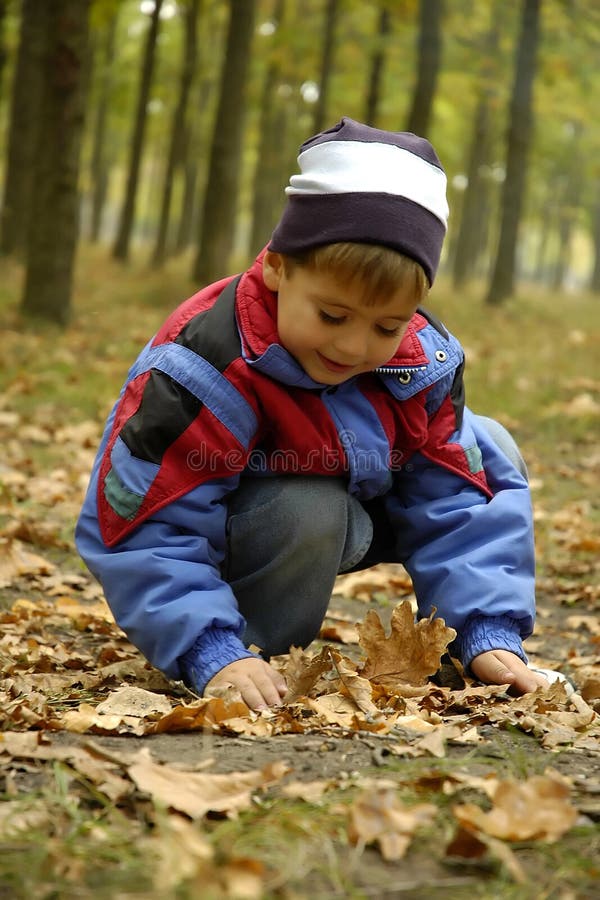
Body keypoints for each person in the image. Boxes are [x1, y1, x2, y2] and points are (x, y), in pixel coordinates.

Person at [76, 117, 561, 711]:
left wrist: (487, 630)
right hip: (248, 529)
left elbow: (456, 497)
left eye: (387, 325)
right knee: (308, 507)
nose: (355, 347)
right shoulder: (206, 364)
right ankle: (255, 655)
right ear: (279, 268)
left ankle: (478, 641)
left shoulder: (420, 364)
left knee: (488, 445)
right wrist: (208, 648)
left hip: (354, 509)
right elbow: (146, 519)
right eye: (332, 316)